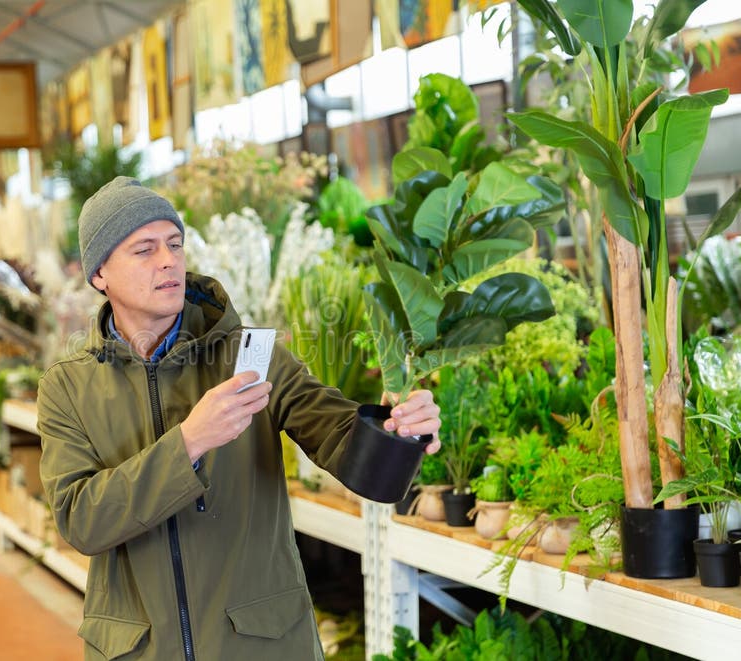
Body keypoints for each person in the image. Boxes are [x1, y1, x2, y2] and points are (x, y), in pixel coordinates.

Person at [38, 177, 442, 661]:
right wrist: (188, 442)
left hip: (260, 644)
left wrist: (398, 431)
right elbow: (81, 520)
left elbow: (349, 448)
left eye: (174, 243)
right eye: (143, 250)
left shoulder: (250, 359)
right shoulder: (66, 387)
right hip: (139, 651)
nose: (168, 260)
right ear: (99, 274)